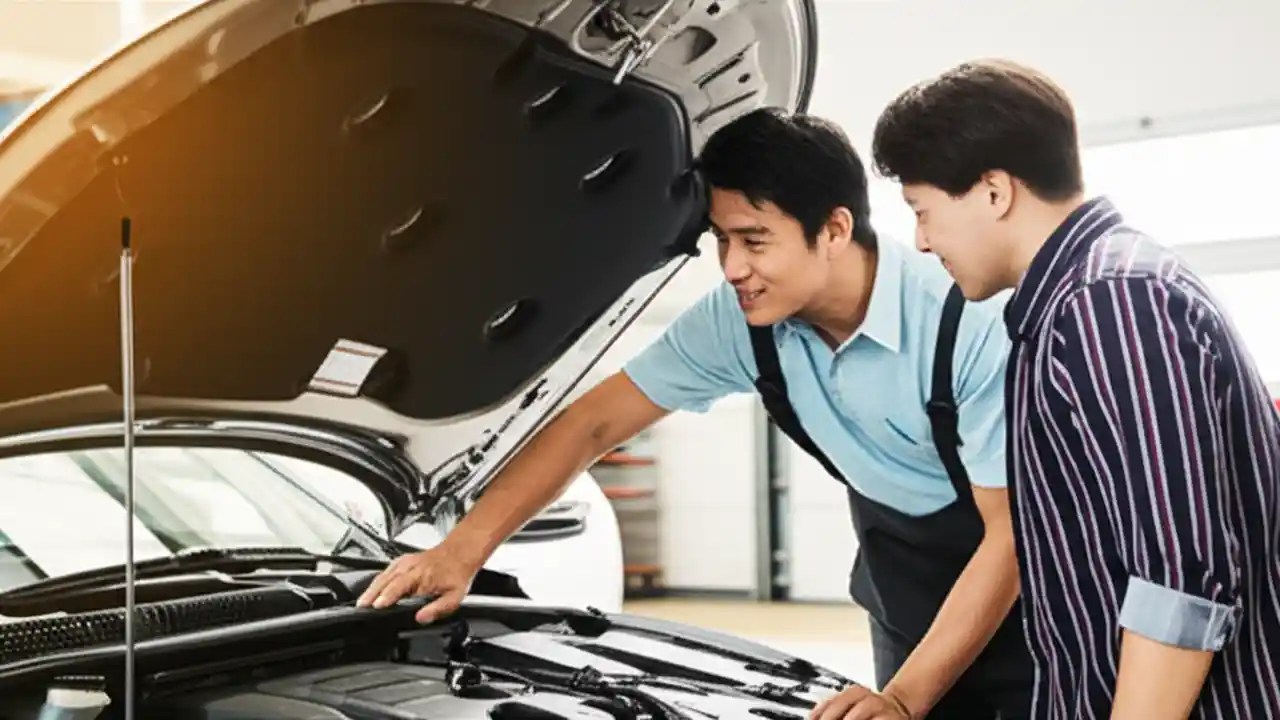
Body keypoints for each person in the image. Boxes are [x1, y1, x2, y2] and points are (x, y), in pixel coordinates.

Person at [357, 107, 1035, 719]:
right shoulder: (741, 323)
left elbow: (1009, 536)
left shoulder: (964, 318)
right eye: (720, 240)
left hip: (1033, 593)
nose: (732, 268)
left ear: (833, 229)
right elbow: (591, 423)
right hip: (905, 591)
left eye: (755, 239)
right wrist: (462, 550)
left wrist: (901, 700)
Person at [869, 58, 1280, 719]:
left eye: (922, 211)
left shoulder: (1110, 302)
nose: (920, 242)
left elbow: (1180, 578)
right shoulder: (1071, 304)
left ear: (993, 191)